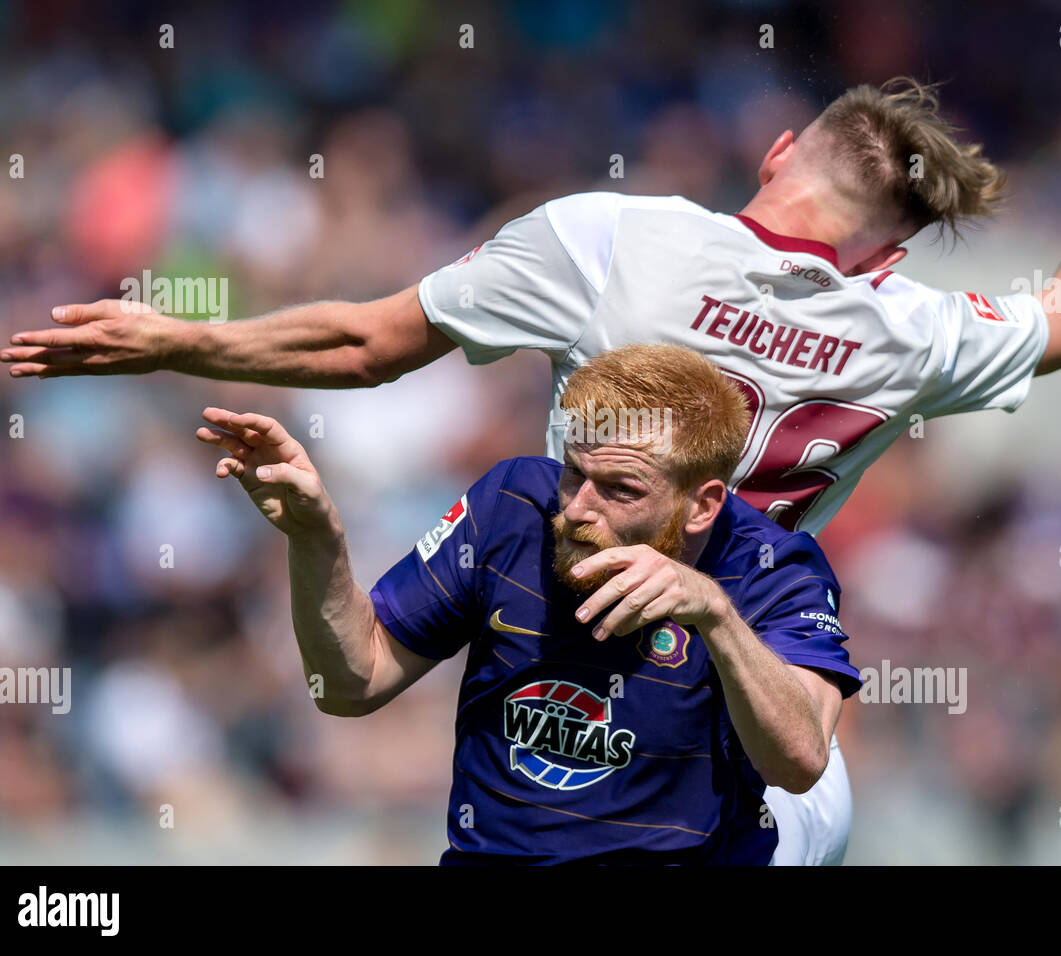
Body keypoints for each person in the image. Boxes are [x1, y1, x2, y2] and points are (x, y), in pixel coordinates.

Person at [0, 37, 1061, 864]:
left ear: (771, 161)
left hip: (559, 632)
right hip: (733, 677)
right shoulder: (906, 326)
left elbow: (367, 345)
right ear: (890, 251)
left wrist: (177, 338)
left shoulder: (609, 240)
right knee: (816, 801)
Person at [197, 344, 861, 864]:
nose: (576, 509)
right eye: (575, 472)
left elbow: (799, 762)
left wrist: (714, 614)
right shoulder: (512, 505)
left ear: (703, 504)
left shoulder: (772, 564)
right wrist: (317, 540)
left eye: (620, 489)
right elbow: (349, 682)